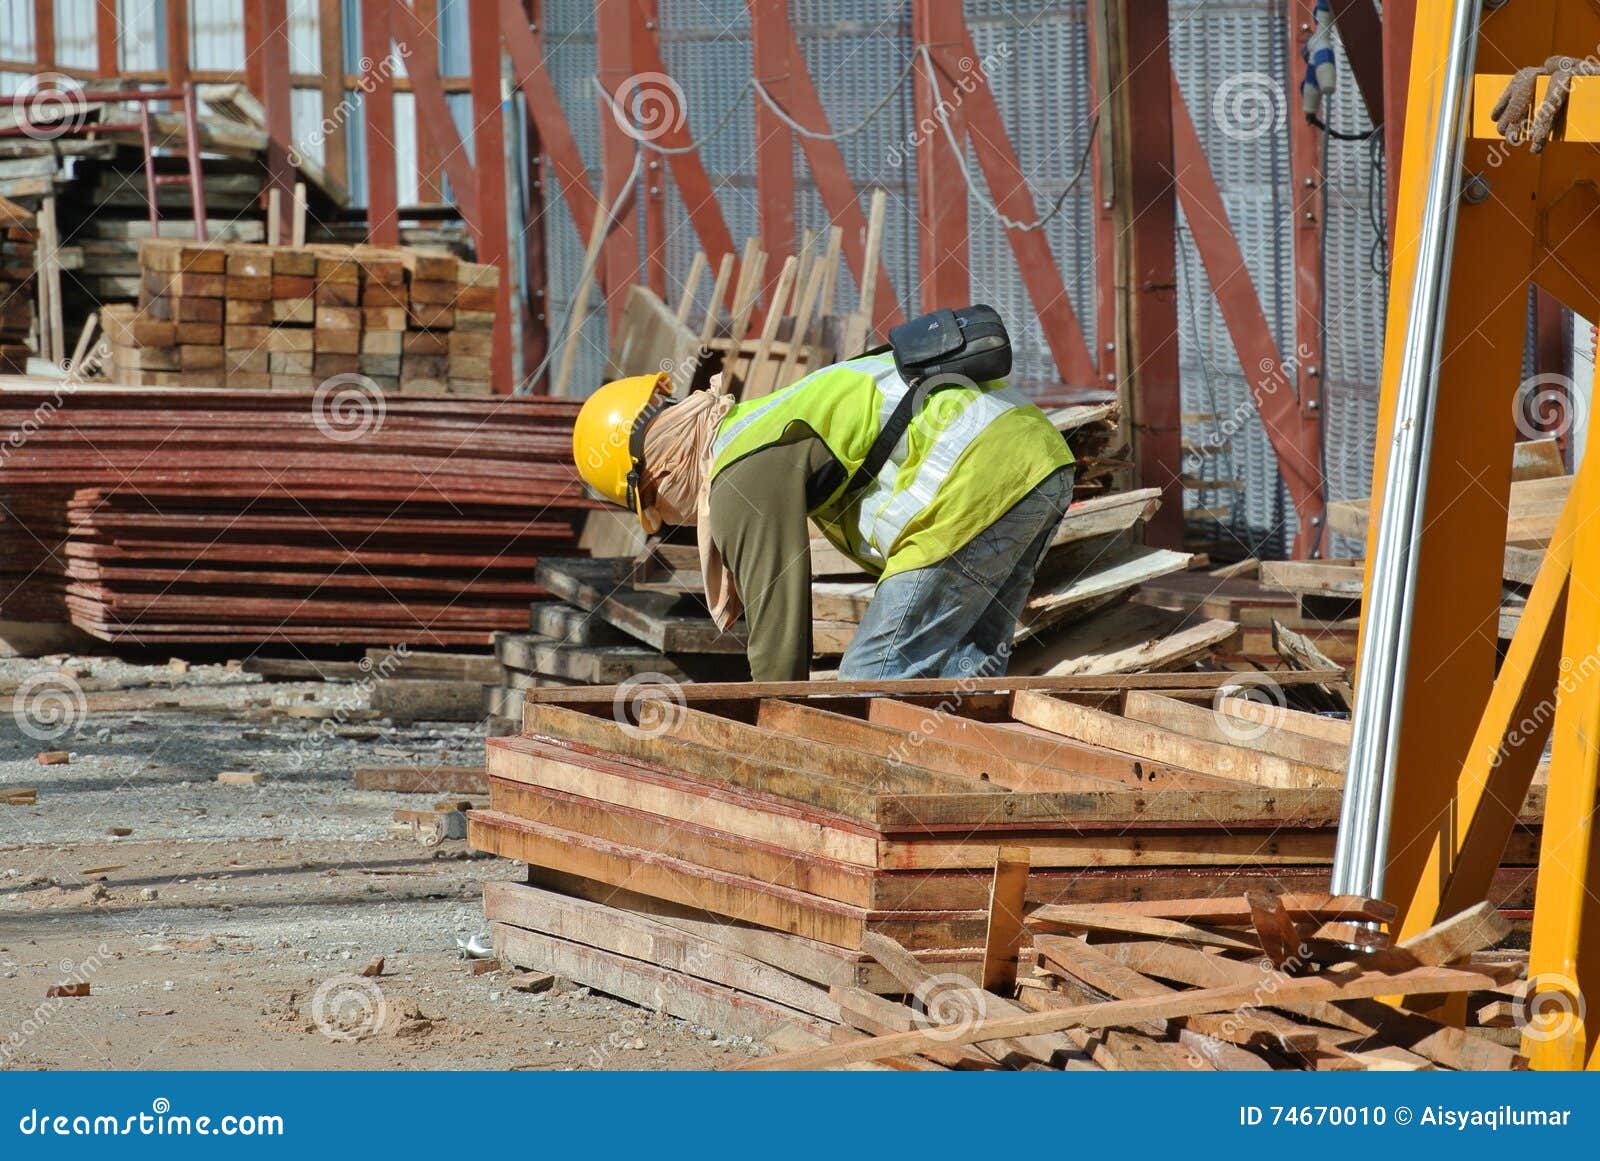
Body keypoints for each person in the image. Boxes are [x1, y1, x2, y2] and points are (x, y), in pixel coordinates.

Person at [571, 310, 1074, 682]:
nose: (668, 517)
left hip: (979, 479)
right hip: (1039, 458)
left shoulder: (735, 474)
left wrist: (776, 731)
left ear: (657, 471)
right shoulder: (760, 422)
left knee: (868, 679)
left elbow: (779, 632)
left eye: (653, 506)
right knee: (965, 675)